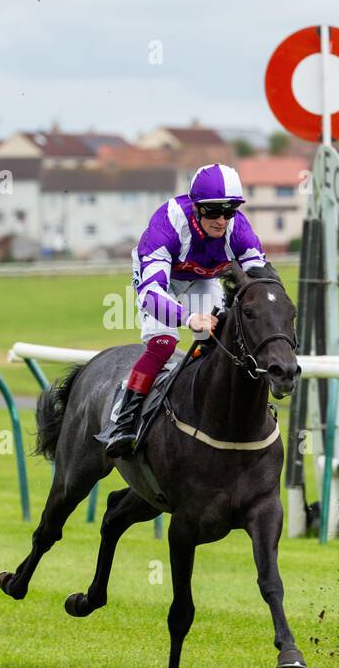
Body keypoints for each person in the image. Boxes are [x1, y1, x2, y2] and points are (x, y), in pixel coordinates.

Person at [104, 163, 268, 459]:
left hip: (203, 280)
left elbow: (261, 281)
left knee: (219, 339)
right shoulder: (168, 223)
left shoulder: (239, 231)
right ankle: (124, 417)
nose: (221, 221)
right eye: (213, 211)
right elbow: (150, 295)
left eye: (229, 211)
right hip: (160, 284)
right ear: (195, 208)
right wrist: (189, 318)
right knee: (164, 343)